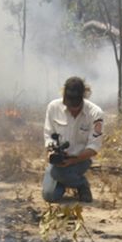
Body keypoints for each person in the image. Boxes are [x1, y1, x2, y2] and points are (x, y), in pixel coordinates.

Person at [42, 75, 104, 203]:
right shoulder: (53, 107)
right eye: (69, 105)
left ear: (83, 96)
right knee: (49, 196)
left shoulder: (96, 114)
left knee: (58, 174)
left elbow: (94, 147)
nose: (72, 109)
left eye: (75, 105)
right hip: (57, 161)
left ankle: (81, 184)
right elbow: (48, 135)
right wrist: (50, 152)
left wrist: (72, 160)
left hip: (80, 160)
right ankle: (66, 182)